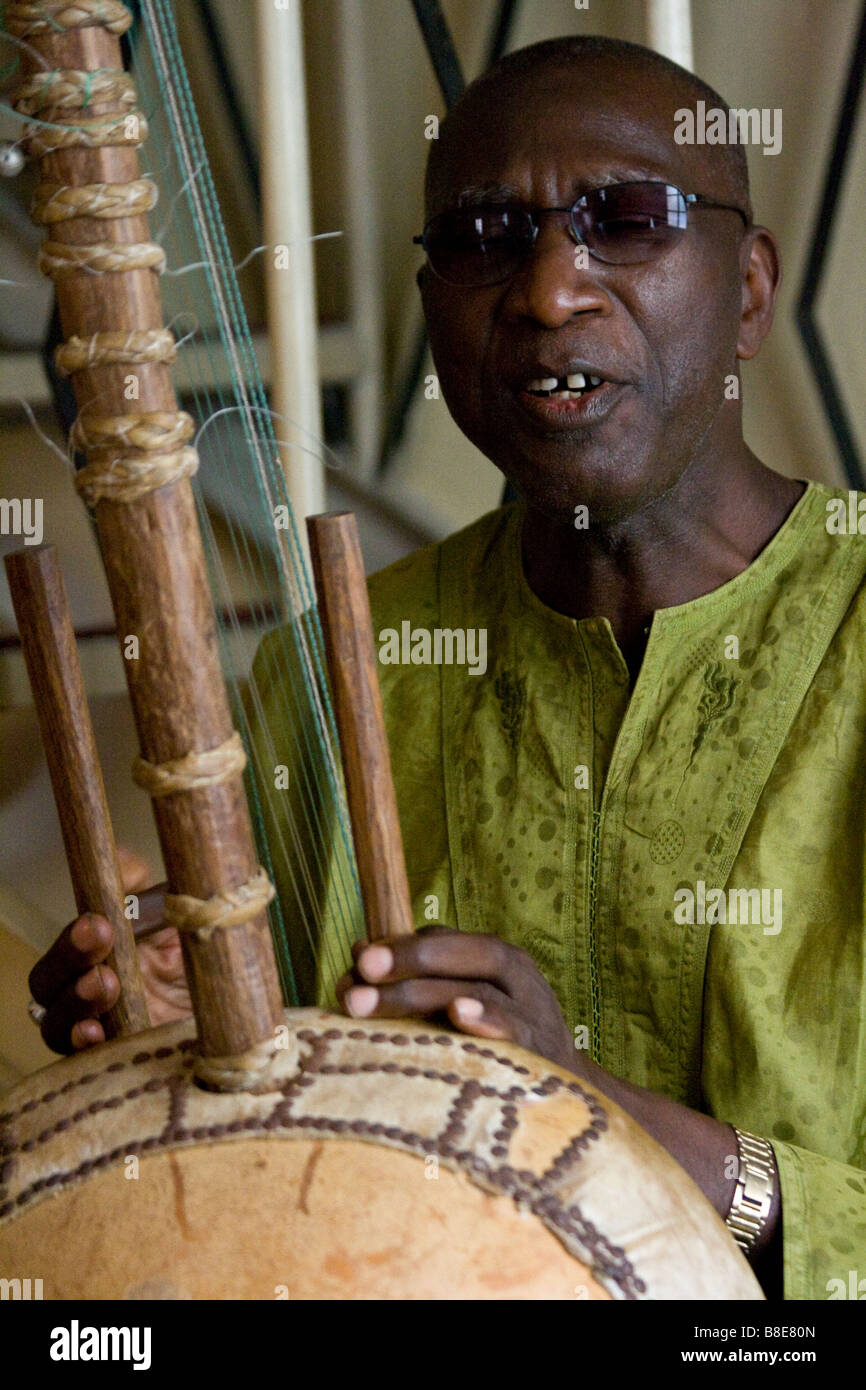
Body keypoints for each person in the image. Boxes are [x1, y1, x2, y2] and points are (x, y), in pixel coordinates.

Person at [28, 36, 866, 1301]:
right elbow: (287, 1171)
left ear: (748, 291)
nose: (546, 290)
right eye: (484, 235)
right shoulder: (343, 662)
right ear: (433, 313)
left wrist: (570, 1112)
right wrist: (165, 1032)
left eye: (626, 220)